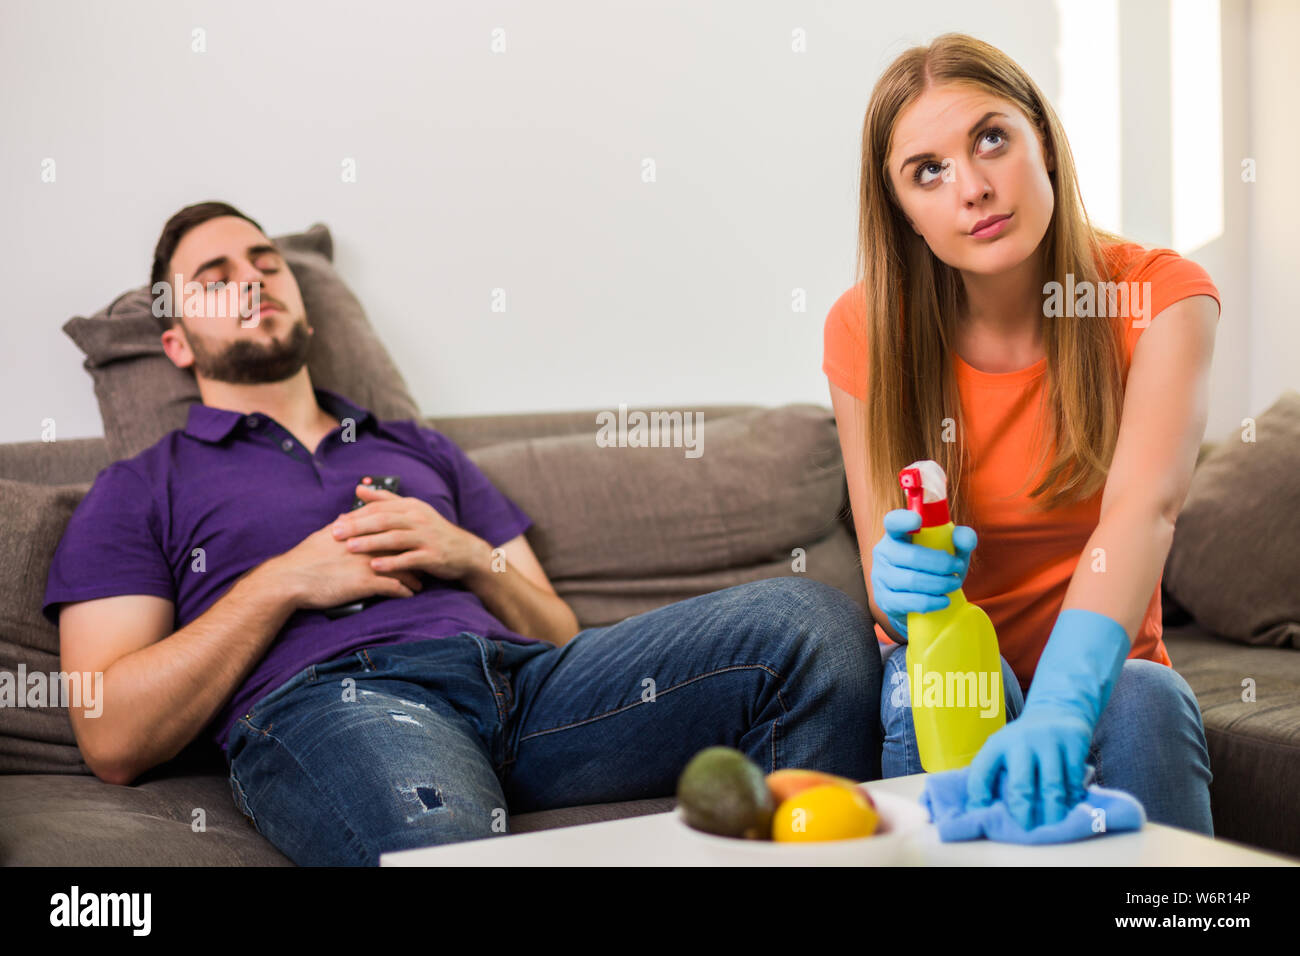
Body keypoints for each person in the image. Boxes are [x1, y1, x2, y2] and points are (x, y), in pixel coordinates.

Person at [42, 201, 882, 865]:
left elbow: (555, 630)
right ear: (176, 339)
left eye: (267, 262)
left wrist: (467, 554)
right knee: (441, 845)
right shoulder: (140, 486)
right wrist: (282, 581)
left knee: (811, 627)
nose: (255, 278)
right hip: (343, 701)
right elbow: (112, 736)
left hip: (532, 689)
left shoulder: (419, 449)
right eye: (216, 274)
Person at [823, 34, 1217, 835]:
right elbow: (880, 582)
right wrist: (893, 586)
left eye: (990, 138)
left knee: (1146, 698)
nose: (971, 188)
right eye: (926, 171)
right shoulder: (865, 327)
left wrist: (1063, 708)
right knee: (925, 685)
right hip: (953, 666)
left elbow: (1142, 515)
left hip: (1108, 675)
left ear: (1043, 138)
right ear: (902, 209)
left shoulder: (1159, 297)